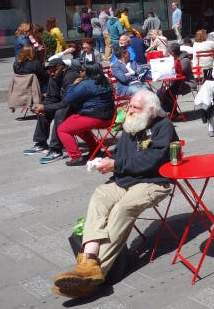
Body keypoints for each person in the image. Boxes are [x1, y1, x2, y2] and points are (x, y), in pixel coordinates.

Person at [50, 90, 177, 299]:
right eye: (130, 106)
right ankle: (88, 262)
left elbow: (152, 160)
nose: (130, 110)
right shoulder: (131, 123)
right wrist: (105, 161)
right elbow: (119, 153)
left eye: (136, 107)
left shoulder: (163, 126)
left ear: (151, 110)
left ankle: (94, 273)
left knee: (122, 208)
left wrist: (116, 164)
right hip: (125, 179)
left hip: (153, 181)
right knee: (100, 195)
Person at [57, 61, 116, 166]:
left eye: (82, 70)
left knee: (62, 129)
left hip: (95, 117)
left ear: (87, 71)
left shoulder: (86, 84)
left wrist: (73, 85)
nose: (80, 72)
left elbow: (68, 99)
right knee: (78, 127)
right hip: (110, 117)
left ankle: (76, 157)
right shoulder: (106, 81)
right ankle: (95, 150)